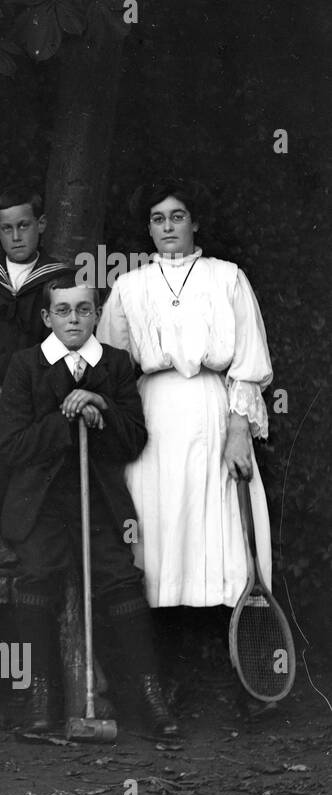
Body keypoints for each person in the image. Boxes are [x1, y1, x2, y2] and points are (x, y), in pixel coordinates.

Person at [96, 180, 275, 717]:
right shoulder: (130, 286)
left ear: (195, 222)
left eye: (177, 215)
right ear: (147, 227)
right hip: (153, 419)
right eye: (157, 218)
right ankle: (161, 684)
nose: (168, 226)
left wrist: (239, 428)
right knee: (159, 539)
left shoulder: (227, 278)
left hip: (213, 415)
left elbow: (249, 356)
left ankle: (241, 677)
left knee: (220, 539)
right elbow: (111, 361)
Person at [0, 277, 179, 737]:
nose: (73, 319)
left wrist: (100, 404)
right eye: (62, 311)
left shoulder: (115, 365)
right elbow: (13, 446)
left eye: (82, 310)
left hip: (98, 503)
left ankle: (150, 697)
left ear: (97, 314)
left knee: (120, 579)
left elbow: (134, 439)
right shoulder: (26, 366)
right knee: (37, 575)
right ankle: (43, 697)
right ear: (47, 317)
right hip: (42, 505)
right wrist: (68, 416)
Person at [0, 185, 72, 566]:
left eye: (24, 225)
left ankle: (1, 531)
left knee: (27, 442)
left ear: (41, 224)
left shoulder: (59, 279)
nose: (16, 236)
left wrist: (26, 390)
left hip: (38, 391)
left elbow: (64, 340)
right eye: (7, 228)